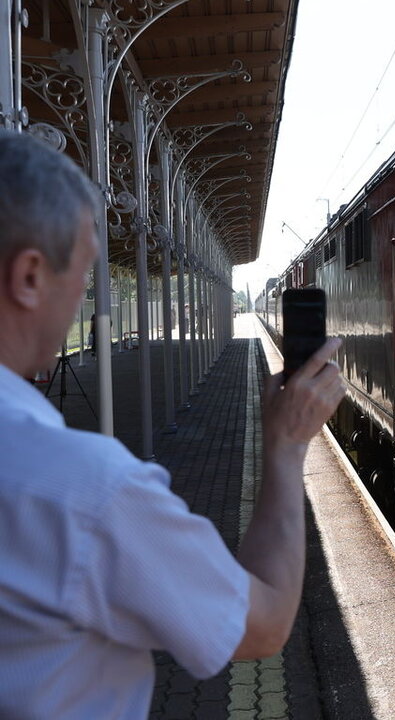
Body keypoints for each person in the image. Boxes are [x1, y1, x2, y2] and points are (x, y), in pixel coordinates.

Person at [0, 131, 346, 719]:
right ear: (30, 277)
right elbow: (262, 626)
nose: (88, 292)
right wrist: (285, 449)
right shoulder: (87, 492)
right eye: (85, 272)